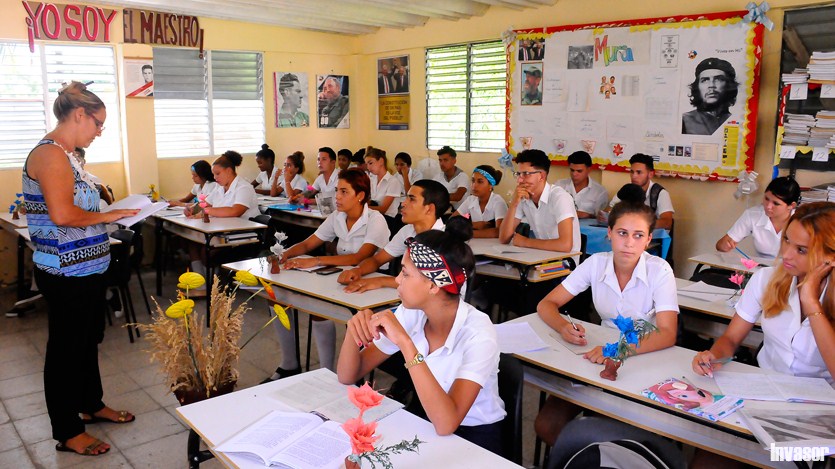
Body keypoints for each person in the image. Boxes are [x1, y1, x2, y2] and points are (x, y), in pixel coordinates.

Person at [22, 81, 139, 456]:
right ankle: (67, 430)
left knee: (88, 342)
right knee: (65, 349)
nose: (100, 130)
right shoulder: (50, 155)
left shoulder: (71, 155)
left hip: (88, 266)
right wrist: (112, 214)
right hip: (64, 271)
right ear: (78, 115)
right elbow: (62, 214)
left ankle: (91, 404)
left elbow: (81, 204)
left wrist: (111, 209)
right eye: (98, 122)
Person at [337, 218, 506, 454]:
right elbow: (348, 375)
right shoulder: (412, 313)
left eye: (405, 274)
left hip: (474, 439)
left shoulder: (478, 332)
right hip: (426, 421)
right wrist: (353, 331)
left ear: (434, 285)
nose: (396, 280)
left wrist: (406, 344)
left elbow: (448, 423)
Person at [534, 192, 679, 446]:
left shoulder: (659, 270)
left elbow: (667, 333)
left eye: (638, 236)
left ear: (647, 241)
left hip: (644, 355)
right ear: (609, 233)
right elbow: (546, 304)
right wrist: (563, 327)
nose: (629, 243)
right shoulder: (595, 264)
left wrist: (617, 350)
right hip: (596, 355)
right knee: (547, 424)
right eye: (622, 233)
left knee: (620, 439)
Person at [263, 169, 391, 381]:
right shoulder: (337, 217)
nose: (337, 197)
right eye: (336, 191)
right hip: (341, 277)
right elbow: (308, 243)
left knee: (322, 306)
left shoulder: (375, 219)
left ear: (360, 195)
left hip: (370, 283)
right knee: (304, 304)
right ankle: (309, 368)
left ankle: (334, 375)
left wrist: (316, 260)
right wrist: (283, 254)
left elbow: (359, 257)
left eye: (343, 192)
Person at [693, 202, 835, 384]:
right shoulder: (765, 279)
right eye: (786, 240)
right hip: (768, 385)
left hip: (823, 399)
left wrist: (811, 302)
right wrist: (714, 356)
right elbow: (731, 338)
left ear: (830, 256)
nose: (787, 254)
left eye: (801, 250)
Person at [338, 179, 449, 292]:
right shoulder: (407, 231)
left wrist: (380, 281)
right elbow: (377, 260)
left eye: (411, 199)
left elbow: (427, 283)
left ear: (429, 208)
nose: (403, 203)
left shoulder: (444, 240)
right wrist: (358, 270)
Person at [185, 151, 260, 293]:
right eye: (213, 174)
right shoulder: (219, 188)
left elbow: (235, 211)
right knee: (192, 243)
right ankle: (201, 283)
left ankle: (212, 285)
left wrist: (207, 211)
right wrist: (191, 209)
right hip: (222, 231)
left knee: (207, 250)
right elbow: (204, 203)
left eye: (217, 174)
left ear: (229, 171)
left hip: (242, 236)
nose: (215, 178)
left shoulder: (244, 187)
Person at [499, 149, 581, 256]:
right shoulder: (523, 196)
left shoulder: (559, 197)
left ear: (541, 176)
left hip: (565, 263)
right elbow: (504, 238)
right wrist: (514, 203)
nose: (519, 180)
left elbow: (565, 245)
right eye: (518, 174)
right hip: (541, 256)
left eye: (526, 174)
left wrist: (525, 242)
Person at [715, 176, 800, 258]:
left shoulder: (802, 221)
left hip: (792, 270)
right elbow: (720, 246)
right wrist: (725, 245)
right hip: (760, 269)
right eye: (766, 199)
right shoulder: (753, 215)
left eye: (776, 203)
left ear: (791, 206)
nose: (768, 206)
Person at [603, 153, 674, 230]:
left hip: (652, 239)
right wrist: (604, 215)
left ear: (650, 174)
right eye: (632, 172)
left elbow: (667, 223)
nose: (634, 176)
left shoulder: (660, 193)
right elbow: (610, 210)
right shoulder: (627, 190)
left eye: (639, 172)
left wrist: (641, 224)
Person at [682, 58, 738, 136]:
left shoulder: (737, 120)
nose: (711, 85)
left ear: (729, 85)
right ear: (697, 87)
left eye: (718, 79)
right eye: (705, 80)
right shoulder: (684, 120)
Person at [453, 165, 507, 238]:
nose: (474, 185)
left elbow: (500, 232)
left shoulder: (498, 202)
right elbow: (451, 222)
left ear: (491, 185)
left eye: (480, 182)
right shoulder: (470, 200)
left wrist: (467, 233)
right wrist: (473, 225)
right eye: (473, 180)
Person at [555, 151, 608, 219]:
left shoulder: (599, 192)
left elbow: (601, 218)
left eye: (579, 171)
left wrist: (588, 215)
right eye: (572, 170)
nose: (574, 174)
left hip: (586, 229)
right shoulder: (559, 185)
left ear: (589, 170)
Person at [365, 146, 403, 220]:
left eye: (370, 163)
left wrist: (361, 208)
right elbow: (371, 200)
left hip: (387, 220)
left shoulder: (393, 182)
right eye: (367, 164)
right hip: (373, 216)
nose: (368, 168)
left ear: (381, 161)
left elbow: (383, 209)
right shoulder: (372, 179)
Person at [433, 146, 469, 210]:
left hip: (463, 214)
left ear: (454, 161)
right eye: (440, 160)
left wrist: (437, 196)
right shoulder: (437, 177)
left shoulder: (463, 176)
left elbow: (457, 196)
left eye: (445, 160)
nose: (442, 163)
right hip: (445, 212)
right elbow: (430, 193)